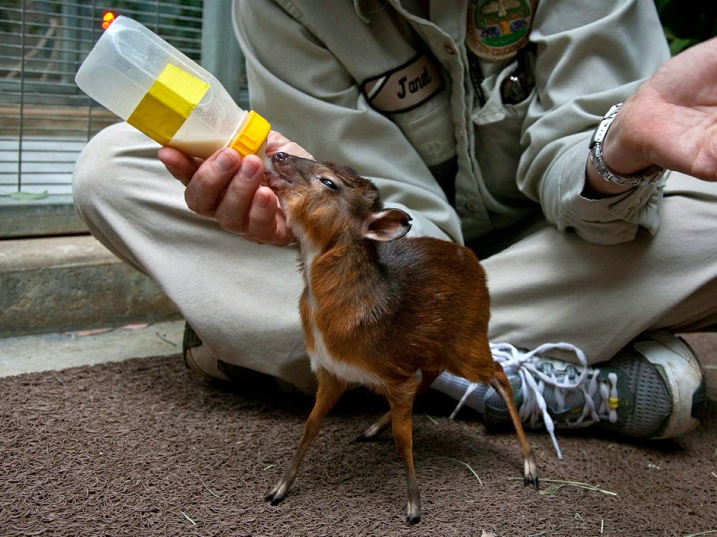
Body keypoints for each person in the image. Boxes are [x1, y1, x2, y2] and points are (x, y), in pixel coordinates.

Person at [72, 0, 715, 455]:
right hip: (398, 266)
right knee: (113, 170)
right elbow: (385, 215)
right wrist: (306, 229)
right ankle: (495, 371)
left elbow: (591, 189)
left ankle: (286, 351)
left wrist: (616, 154)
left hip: (563, 243)